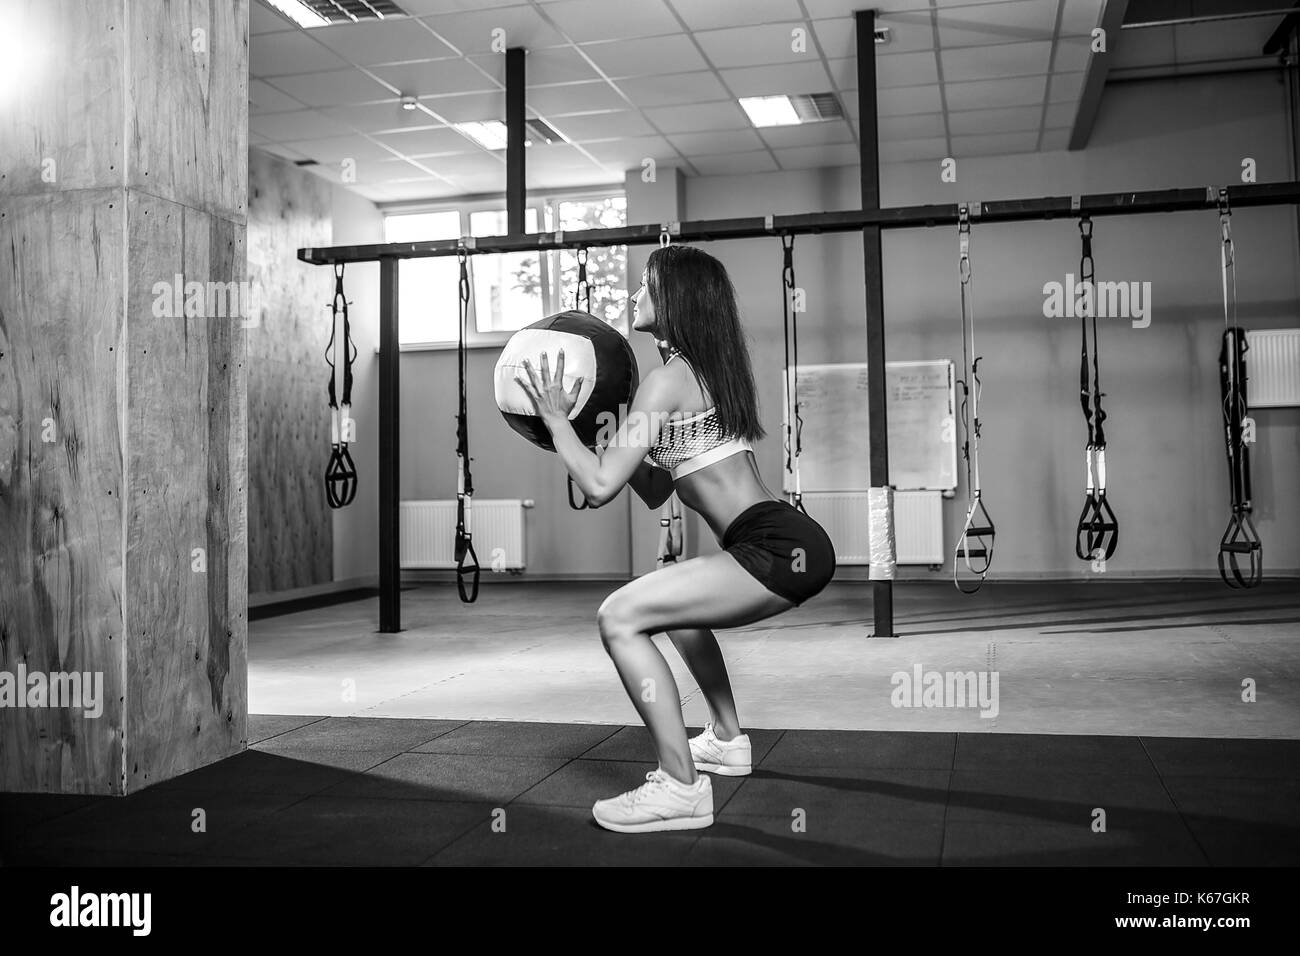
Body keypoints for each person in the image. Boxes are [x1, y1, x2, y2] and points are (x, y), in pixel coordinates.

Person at [513, 244, 836, 833]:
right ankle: (728, 739)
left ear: (675, 299)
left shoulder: (668, 380)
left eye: (645, 285)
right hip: (785, 541)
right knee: (678, 609)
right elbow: (656, 487)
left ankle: (681, 787)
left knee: (619, 616)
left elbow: (600, 484)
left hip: (771, 544)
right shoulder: (696, 373)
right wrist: (601, 425)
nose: (635, 295)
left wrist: (559, 422)